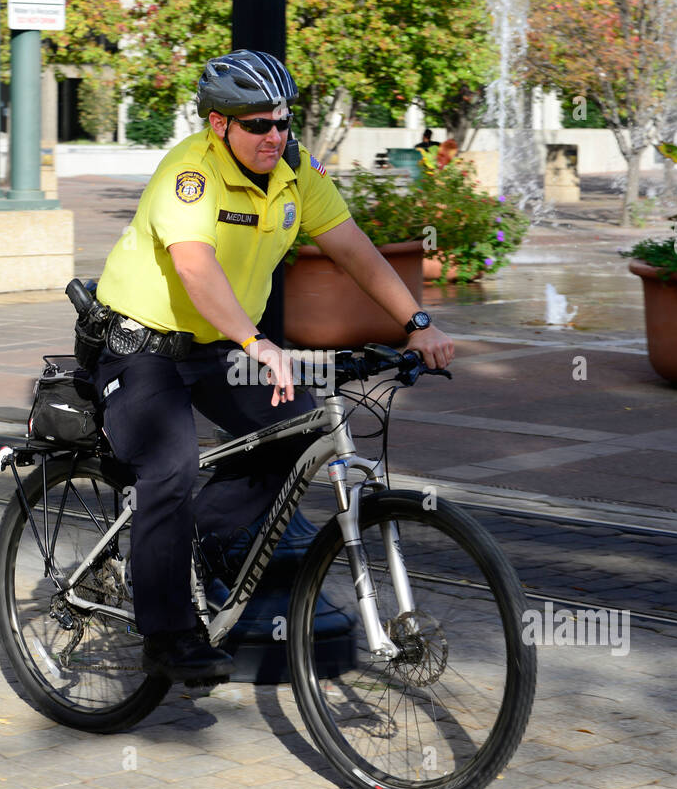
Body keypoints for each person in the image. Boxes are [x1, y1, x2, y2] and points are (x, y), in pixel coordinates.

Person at [91, 49, 455, 683]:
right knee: (170, 461)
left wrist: (415, 323)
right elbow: (195, 267)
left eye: (283, 121)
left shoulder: (293, 170)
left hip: (214, 348)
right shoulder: (190, 172)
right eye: (257, 124)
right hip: (139, 345)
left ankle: (197, 538)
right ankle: (167, 633)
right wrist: (257, 342)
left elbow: (353, 249)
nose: (274, 135)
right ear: (218, 125)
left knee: (302, 428)